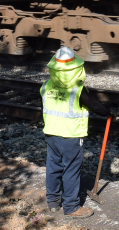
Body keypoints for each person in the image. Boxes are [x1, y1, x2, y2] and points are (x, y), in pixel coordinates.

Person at [41, 47, 110, 218]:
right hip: (70, 136)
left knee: (53, 167)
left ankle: (53, 202)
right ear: (75, 68)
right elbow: (95, 106)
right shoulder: (78, 90)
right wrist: (109, 114)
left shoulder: (46, 85)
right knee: (71, 170)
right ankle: (71, 207)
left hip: (51, 133)